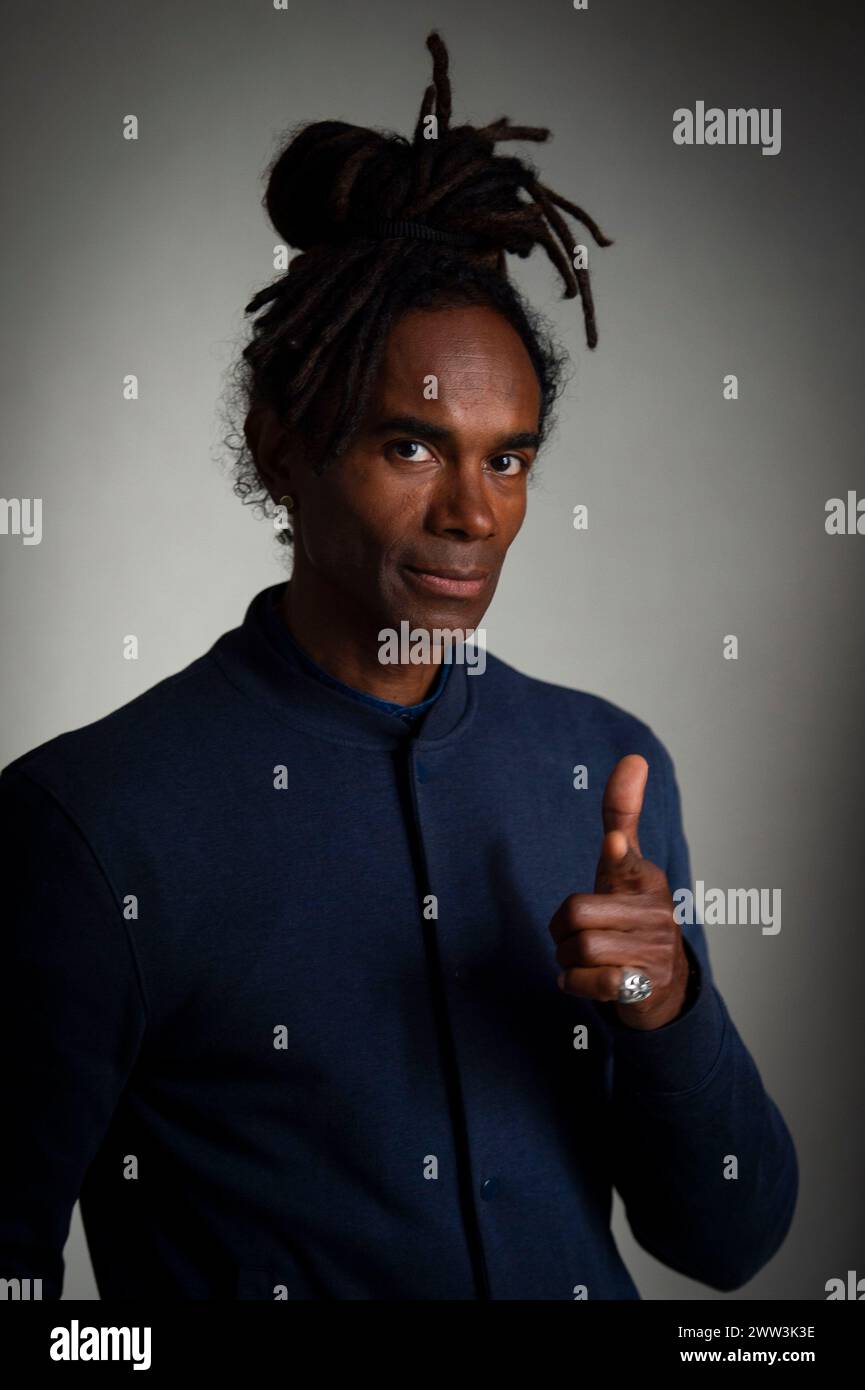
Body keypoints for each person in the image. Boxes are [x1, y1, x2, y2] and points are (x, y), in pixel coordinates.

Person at [0, 30, 796, 1301]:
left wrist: (666, 1006)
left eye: (510, 458)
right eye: (412, 448)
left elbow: (730, 1239)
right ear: (282, 450)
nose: (474, 515)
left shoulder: (603, 768)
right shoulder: (88, 824)